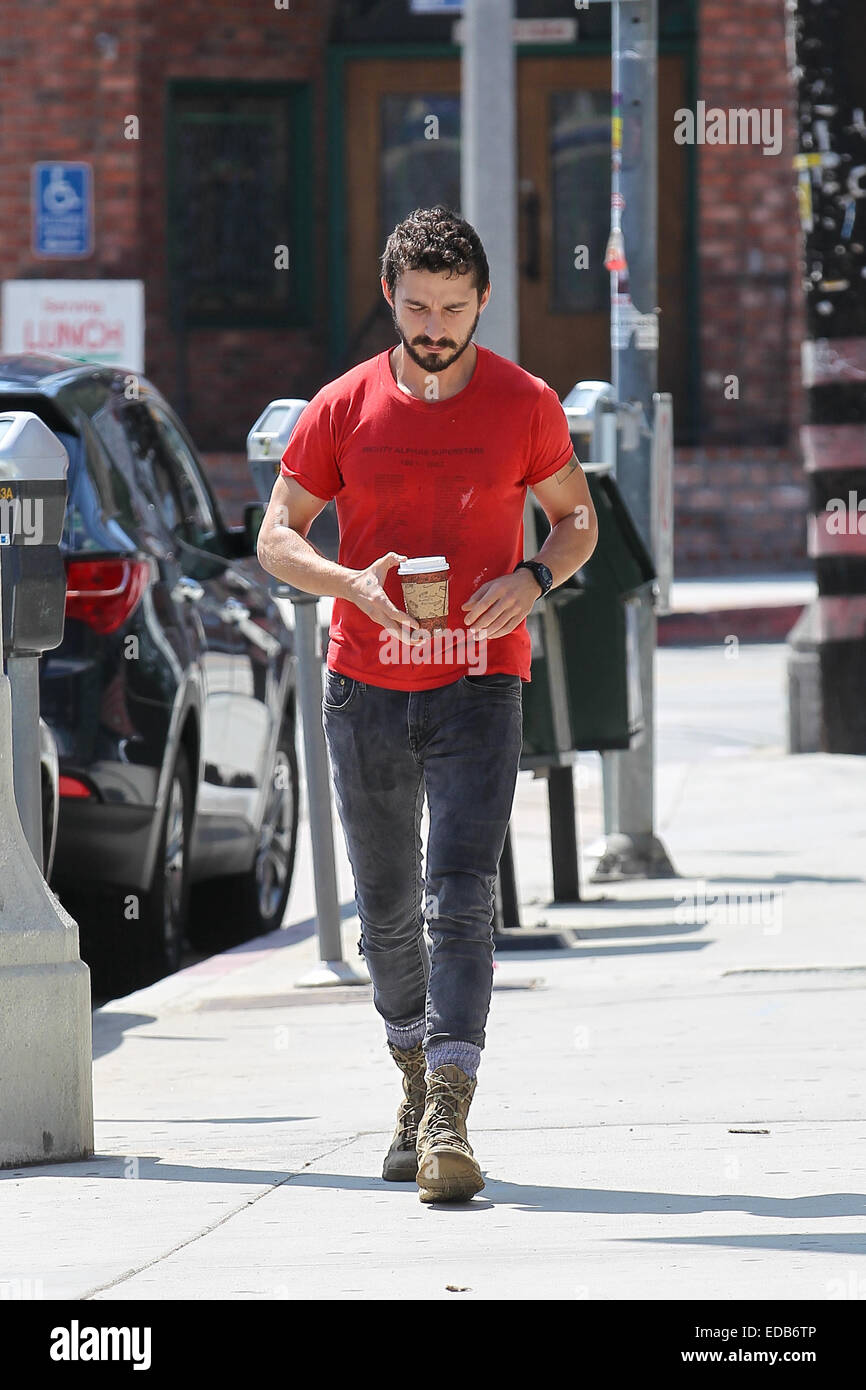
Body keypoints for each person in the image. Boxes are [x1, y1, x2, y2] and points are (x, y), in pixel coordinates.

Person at [257, 205, 598, 1203]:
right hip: (362, 682)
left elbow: (575, 515)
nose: (435, 325)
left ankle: (450, 1103)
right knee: (388, 911)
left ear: (483, 301)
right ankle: (410, 1067)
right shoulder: (343, 407)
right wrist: (350, 584)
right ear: (388, 296)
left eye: (454, 307)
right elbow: (277, 535)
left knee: (461, 895)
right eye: (417, 306)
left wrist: (534, 576)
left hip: (482, 680)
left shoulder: (524, 402)